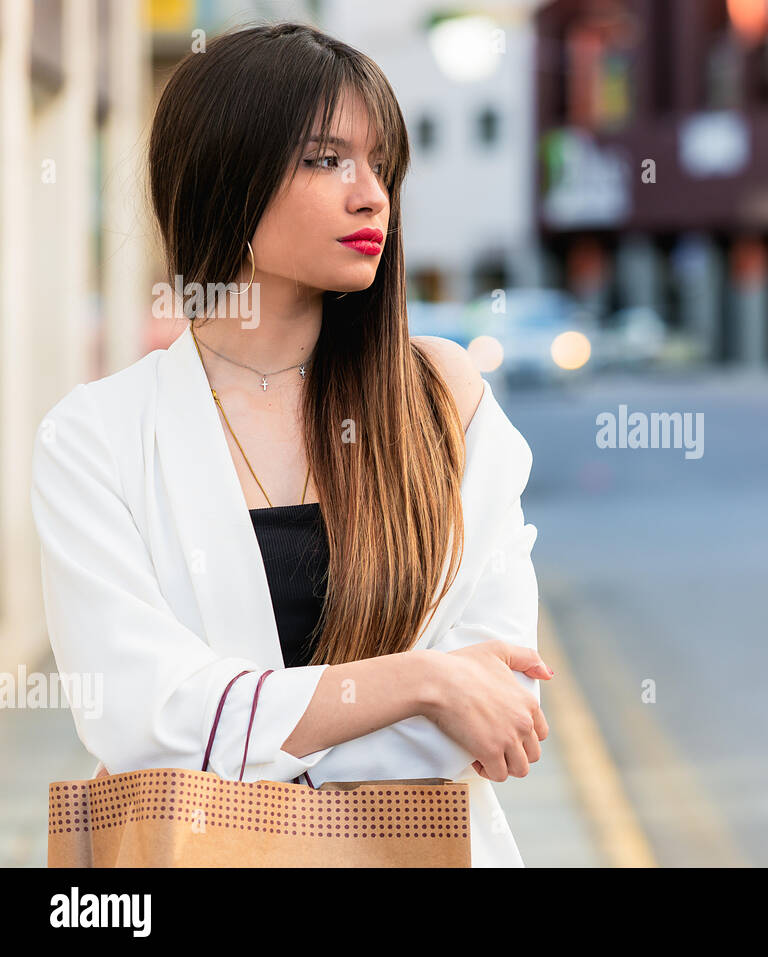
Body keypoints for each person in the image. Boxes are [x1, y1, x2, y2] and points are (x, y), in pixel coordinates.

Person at [30, 22, 551, 867]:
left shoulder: (443, 401)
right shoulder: (98, 437)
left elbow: (497, 708)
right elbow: (139, 716)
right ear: (225, 174)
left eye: (380, 163)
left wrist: (239, 729)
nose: (371, 194)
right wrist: (418, 682)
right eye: (325, 158)